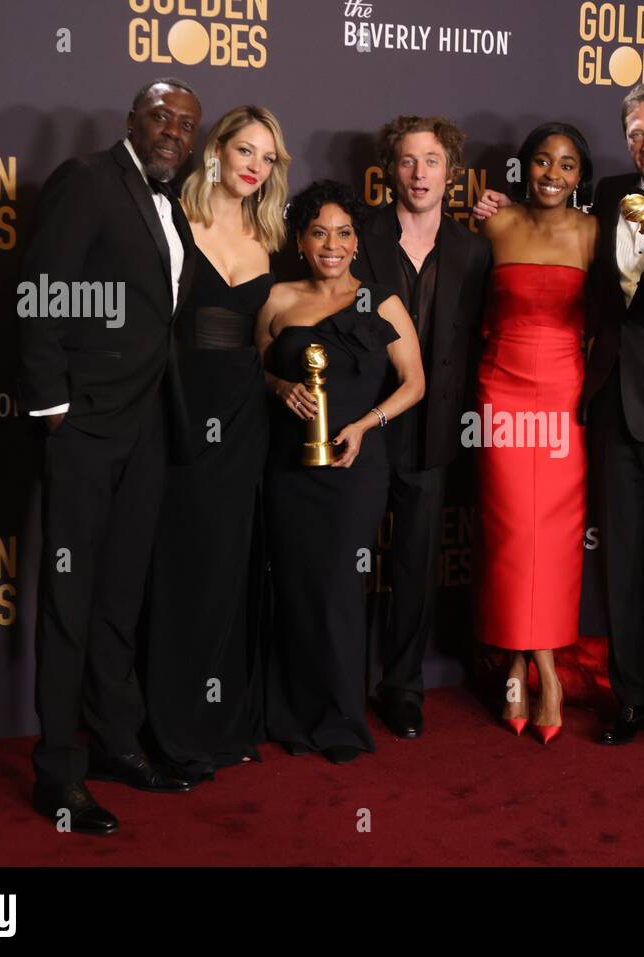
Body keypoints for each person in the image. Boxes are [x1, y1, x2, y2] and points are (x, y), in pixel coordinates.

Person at [478, 83, 644, 771]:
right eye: (636, 134)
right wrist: (496, 208)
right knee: (620, 569)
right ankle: (632, 702)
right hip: (606, 409)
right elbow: (548, 237)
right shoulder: (605, 200)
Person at [18, 78, 202, 835]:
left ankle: (115, 744)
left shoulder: (173, 203)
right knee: (70, 602)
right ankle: (56, 773)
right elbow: (39, 290)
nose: (173, 132)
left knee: (121, 598)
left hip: (151, 427)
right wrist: (54, 407)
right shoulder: (88, 180)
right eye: (161, 116)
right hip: (88, 427)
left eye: (187, 125)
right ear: (132, 119)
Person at [142, 105, 290, 783]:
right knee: (178, 566)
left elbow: (264, 345)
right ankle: (168, 725)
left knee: (229, 566)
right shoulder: (172, 218)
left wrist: (281, 389)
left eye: (267, 157)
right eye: (245, 150)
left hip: (242, 420)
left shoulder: (274, 236)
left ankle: (223, 721)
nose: (255, 166)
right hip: (176, 411)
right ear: (218, 150)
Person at [257, 180, 425, 765]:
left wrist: (366, 424)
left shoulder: (380, 301)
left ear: (357, 241)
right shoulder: (277, 299)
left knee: (337, 588)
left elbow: (415, 383)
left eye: (344, 233)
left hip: (355, 467)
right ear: (300, 240)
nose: (332, 244)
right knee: (294, 586)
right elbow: (254, 373)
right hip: (287, 466)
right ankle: (286, 713)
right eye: (319, 232)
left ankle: (340, 720)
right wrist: (281, 388)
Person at [350, 115, 491, 741]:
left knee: (414, 564)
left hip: (434, 432)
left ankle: (402, 688)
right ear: (390, 170)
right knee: (346, 564)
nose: (420, 173)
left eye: (432, 161)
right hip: (362, 423)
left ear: (451, 172)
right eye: (408, 161)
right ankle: (339, 685)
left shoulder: (473, 247)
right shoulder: (357, 234)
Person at [471, 123, 597, 744]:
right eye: (542, 162)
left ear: (581, 176)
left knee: (556, 535)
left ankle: (532, 665)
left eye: (567, 165)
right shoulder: (493, 224)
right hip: (503, 394)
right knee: (513, 533)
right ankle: (528, 664)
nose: (553, 173)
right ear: (523, 168)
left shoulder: (595, 232)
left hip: (567, 396)